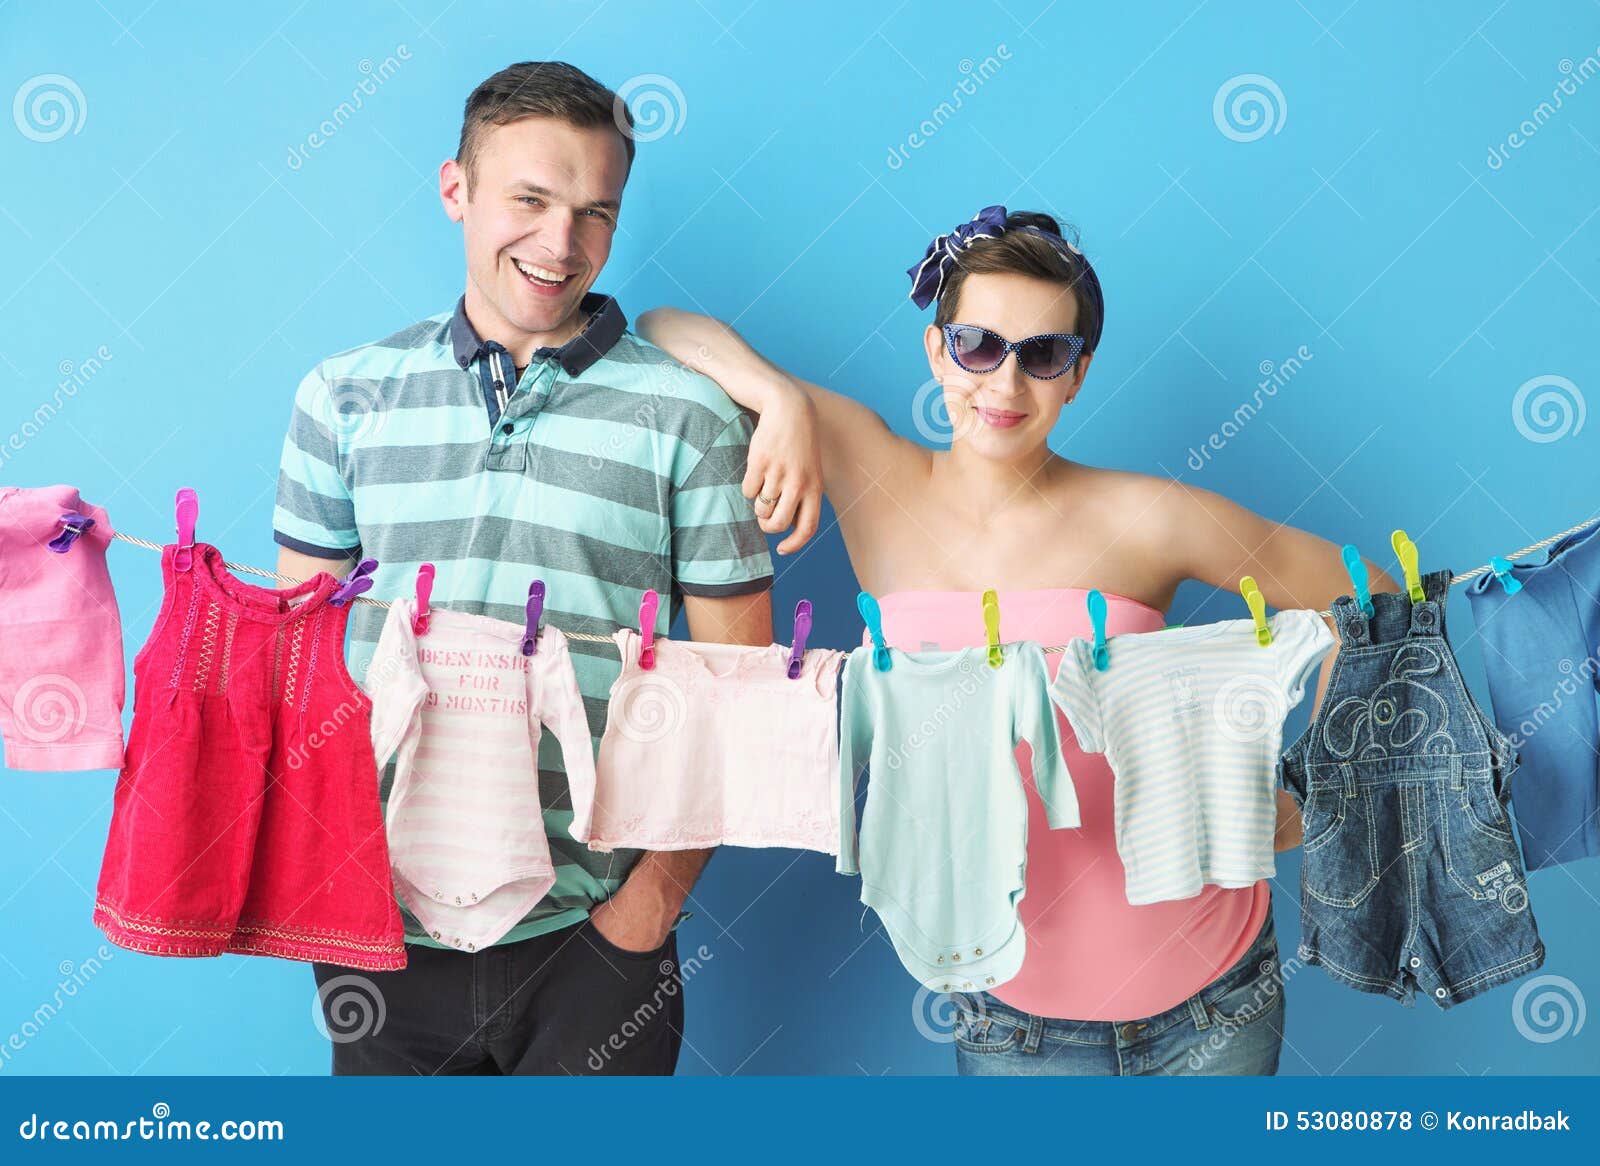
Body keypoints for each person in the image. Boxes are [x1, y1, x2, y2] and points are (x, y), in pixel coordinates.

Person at [638, 205, 1399, 1075]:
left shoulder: (1147, 519)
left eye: (1043, 356)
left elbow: (1374, 598)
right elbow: (664, 328)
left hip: (1218, 999)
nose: (1004, 385)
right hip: (1013, 1017)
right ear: (936, 350)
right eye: (978, 346)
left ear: (1076, 376)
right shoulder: (875, 475)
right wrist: (777, 399)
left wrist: (1309, 792)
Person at [272, 61, 775, 1075]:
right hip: (379, 931)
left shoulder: (690, 414)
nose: (560, 245)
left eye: (595, 212)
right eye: (530, 200)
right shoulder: (344, 396)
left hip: (595, 937)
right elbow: (300, 665)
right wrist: (327, 885)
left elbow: (740, 692)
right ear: (455, 188)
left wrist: (648, 907)